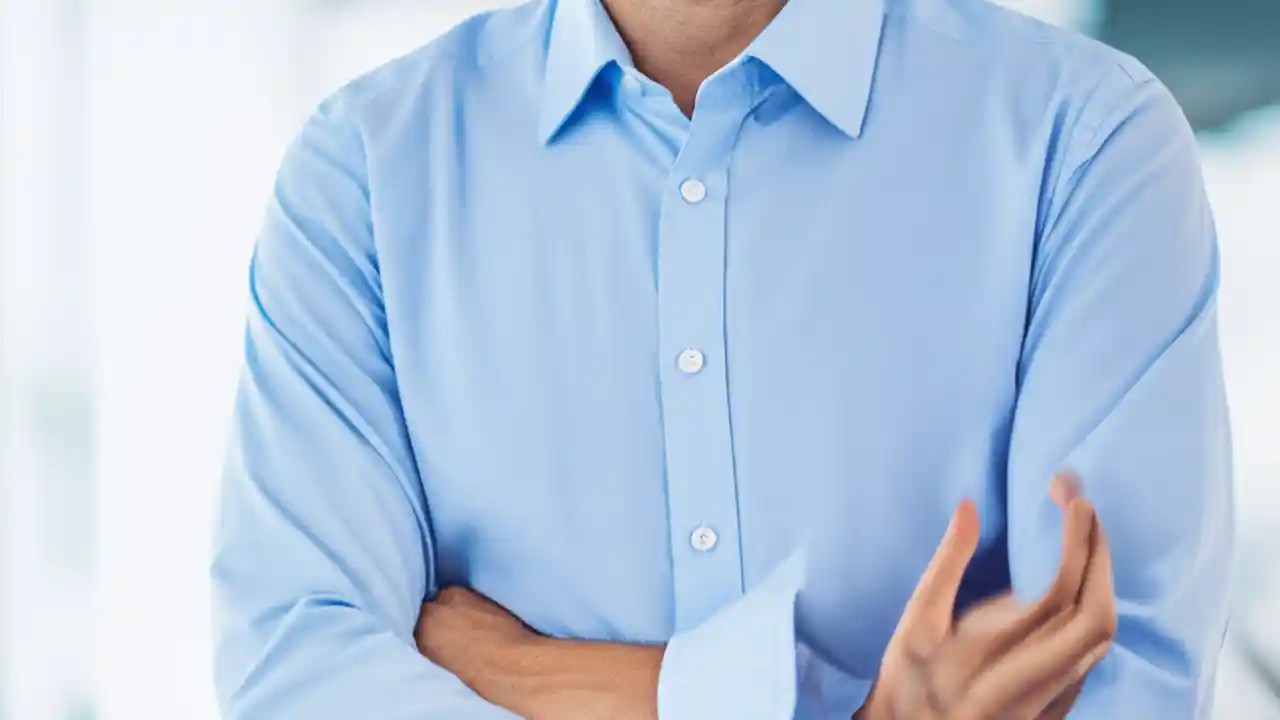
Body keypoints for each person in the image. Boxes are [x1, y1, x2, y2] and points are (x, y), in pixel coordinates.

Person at [211, 0, 1233, 717]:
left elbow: (1111, 687)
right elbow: (298, 677)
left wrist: (580, 686)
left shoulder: (1083, 143)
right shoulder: (364, 173)